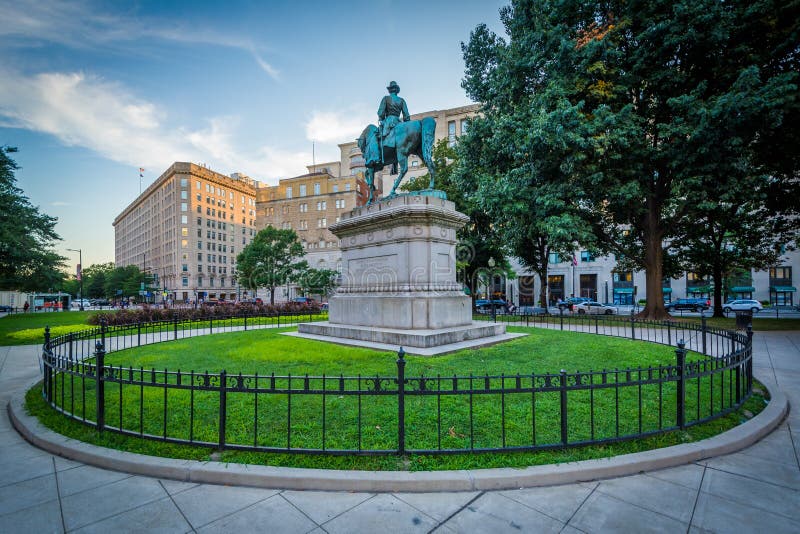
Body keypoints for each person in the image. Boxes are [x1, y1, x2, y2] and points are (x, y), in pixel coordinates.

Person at [377, 81, 410, 149]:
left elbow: (381, 112)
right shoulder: (402, 100)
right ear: (397, 90)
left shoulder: (386, 98)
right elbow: (406, 116)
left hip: (388, 121)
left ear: (389, 90)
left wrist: (381, 118)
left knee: (379, 136)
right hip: (398, 121)